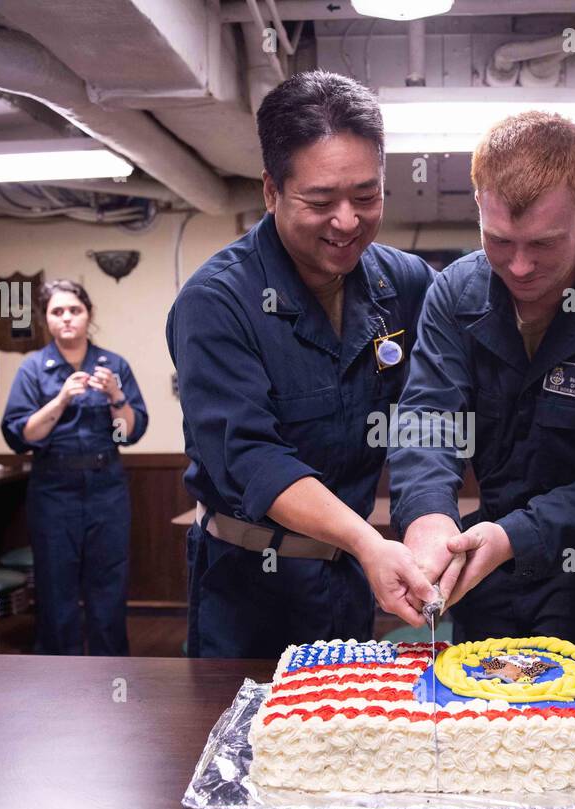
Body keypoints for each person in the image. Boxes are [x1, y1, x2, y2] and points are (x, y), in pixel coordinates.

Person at [388, 111, 575, 658]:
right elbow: (429, 421)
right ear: (478, 208)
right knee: (479, 732)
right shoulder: (454, 295)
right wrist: (427, 515)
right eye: (499, 241)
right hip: (482, 572)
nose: (519, 267)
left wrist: (514, 537)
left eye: (543, 244)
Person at [167, 71, 438, 658]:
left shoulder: (404, 282)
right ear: (271, 190)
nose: (347, 221)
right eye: (320, 201)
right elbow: (251, 459)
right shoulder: (216, 302)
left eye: (366, 197)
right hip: (250, 587)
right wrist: (368, 542)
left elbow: (480, 325)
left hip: (350, 578)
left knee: (344, 738)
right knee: (245, 742)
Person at [1, 279, 147, 655]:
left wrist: (116, 396)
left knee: (108, 587)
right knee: (55, 587)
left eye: (75, 310)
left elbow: (130, 432)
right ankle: (59, 686)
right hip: (53, 486)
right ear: (46, 320)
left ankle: (112, 676)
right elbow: (23, 435)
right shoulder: (33, 368)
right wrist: (61, 398)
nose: (67, 318)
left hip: (106, 485)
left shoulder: (114, 365)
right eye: (57, 312)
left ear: (88, 315)